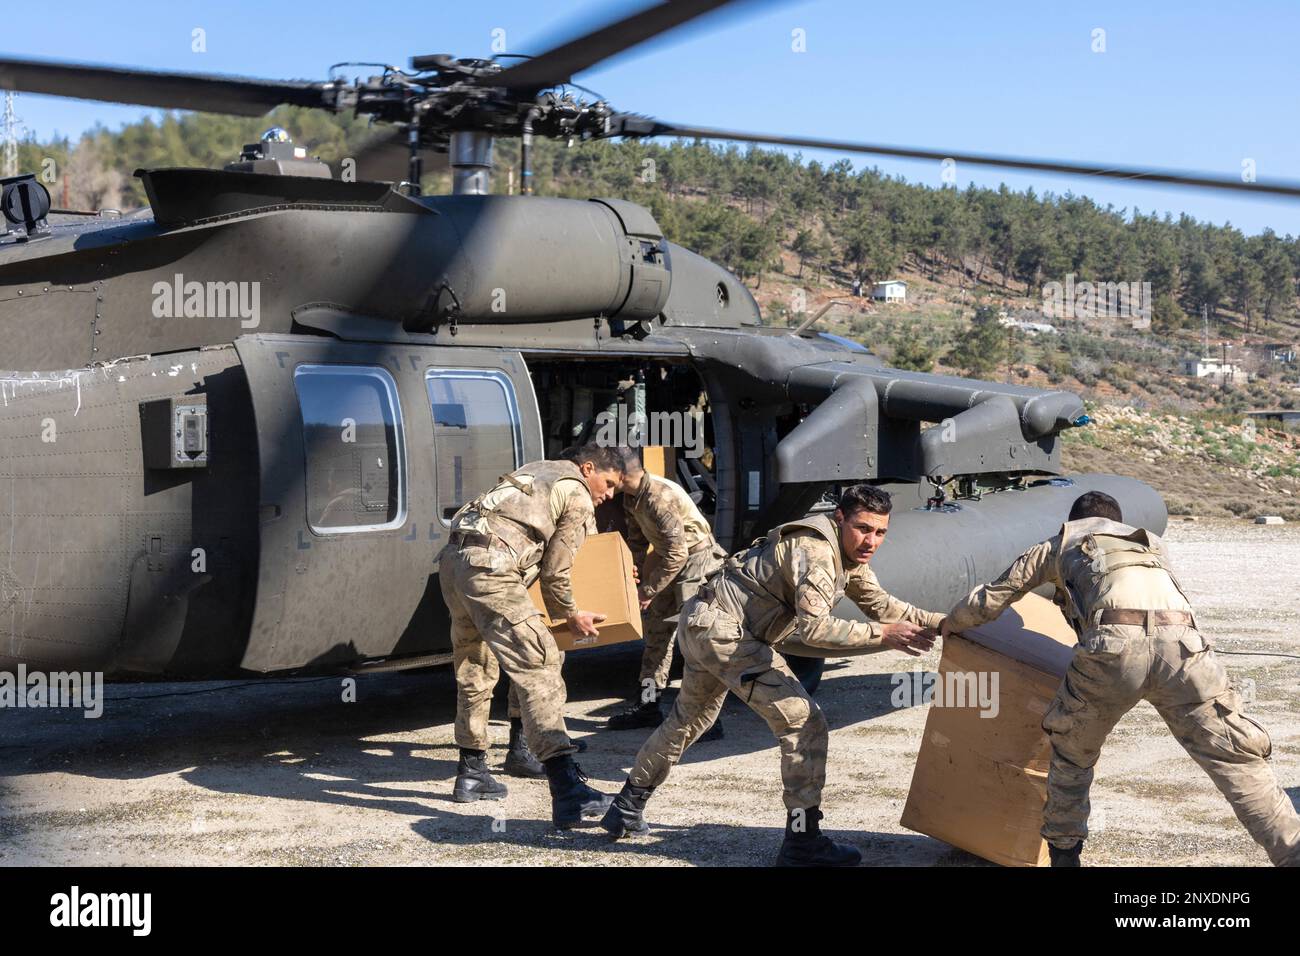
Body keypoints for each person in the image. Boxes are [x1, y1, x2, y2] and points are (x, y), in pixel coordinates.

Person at [942, 490, 1300, 867]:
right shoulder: (1151, 546)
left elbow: (995, 596)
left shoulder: (1061, 543)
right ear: (1120, 521)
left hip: (1112, 648)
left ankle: (1064, 856)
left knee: (1073, 755)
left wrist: (951, 623)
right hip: (1185, 650)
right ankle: (1293, 852)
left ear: (1074, 520)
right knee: (1234, 757)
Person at [602, 484, 941, 865]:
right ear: (840, 518)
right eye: (863, 528)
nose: (871, 541)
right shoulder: (816, 551)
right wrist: (883, 635)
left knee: (687, 721)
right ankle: (802, 843)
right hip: (726, 634)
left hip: (703, 624)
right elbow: (815, 630)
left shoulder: (844, 552)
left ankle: (626, 807)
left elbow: (880, 603)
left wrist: (941, 623)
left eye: (880, 532)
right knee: (804, 723)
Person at [439, 443, 625, 827]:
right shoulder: (576, 491)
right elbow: (558, 570)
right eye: (607, 484)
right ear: (588, 468)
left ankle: (473, 771)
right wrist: (570, 615)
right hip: (492, 569)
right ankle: (567, 788)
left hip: (456, 562)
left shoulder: (537, 469)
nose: (607, 496)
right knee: (540, 664)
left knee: (475, 665)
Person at [605, 448, 729, 734]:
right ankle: (648, 705)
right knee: (656, 635)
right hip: (668, 561)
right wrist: (631, 574)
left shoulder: (659, 497)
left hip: (696, 562)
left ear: (622, 474)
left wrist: (647, 590)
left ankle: (708, 719)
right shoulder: (632, 498)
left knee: (696, 640)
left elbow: (678, 552)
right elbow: (637, 541)